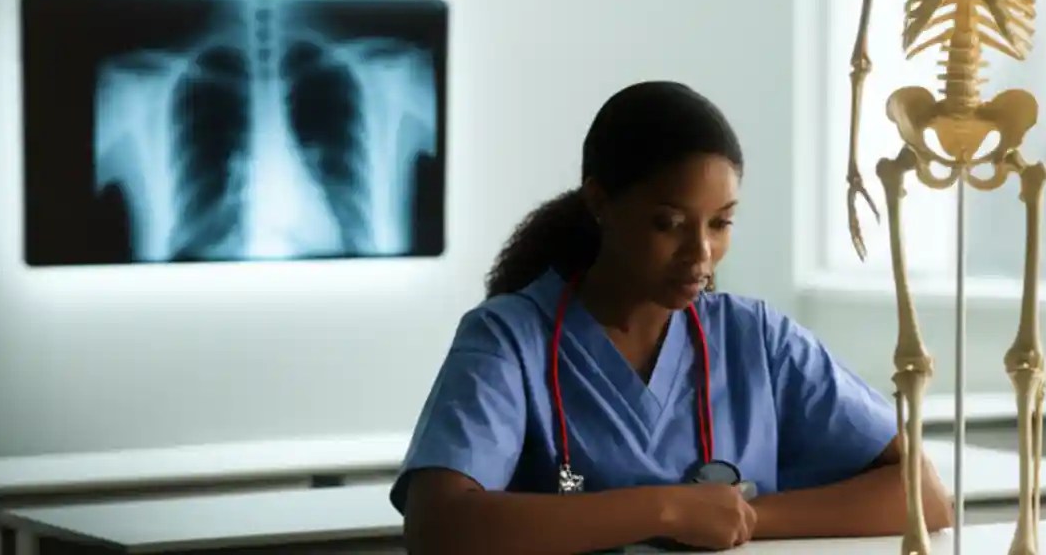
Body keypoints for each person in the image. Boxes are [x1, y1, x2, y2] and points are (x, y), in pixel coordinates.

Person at [391, 81, 952, 553]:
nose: (701, 255)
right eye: (670, 223)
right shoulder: (509, 338)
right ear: (600, 203)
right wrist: (664, 509)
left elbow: (924, 495)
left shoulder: (756, 337)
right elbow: (439, 524)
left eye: (720, 224)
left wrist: (745, 518)